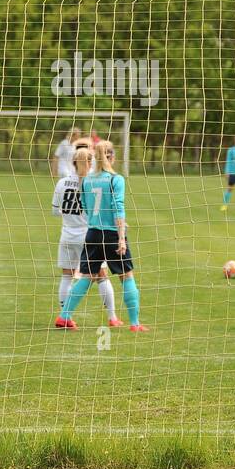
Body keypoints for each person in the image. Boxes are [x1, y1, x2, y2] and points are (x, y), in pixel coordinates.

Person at [56, 140, 147, 332]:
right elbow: (118, 208)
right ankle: (134, 323)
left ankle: (64, 317)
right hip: (112, 235)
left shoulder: (87, 180)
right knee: (126, 276)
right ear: (111, 157)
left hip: (92, 234)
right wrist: (121, 238)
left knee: (86, 277)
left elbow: (87, 208)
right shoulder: (116, 179)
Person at [52, 147, 121, 325]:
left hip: (67, 235)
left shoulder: (62, 183)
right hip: (88, 236)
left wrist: (69, 215)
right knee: (101, 275)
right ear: (90, 162)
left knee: (67, 275)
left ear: (73, 162)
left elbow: (55, 211)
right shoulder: (91, 183)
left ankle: (64, 315)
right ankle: (112, 317)